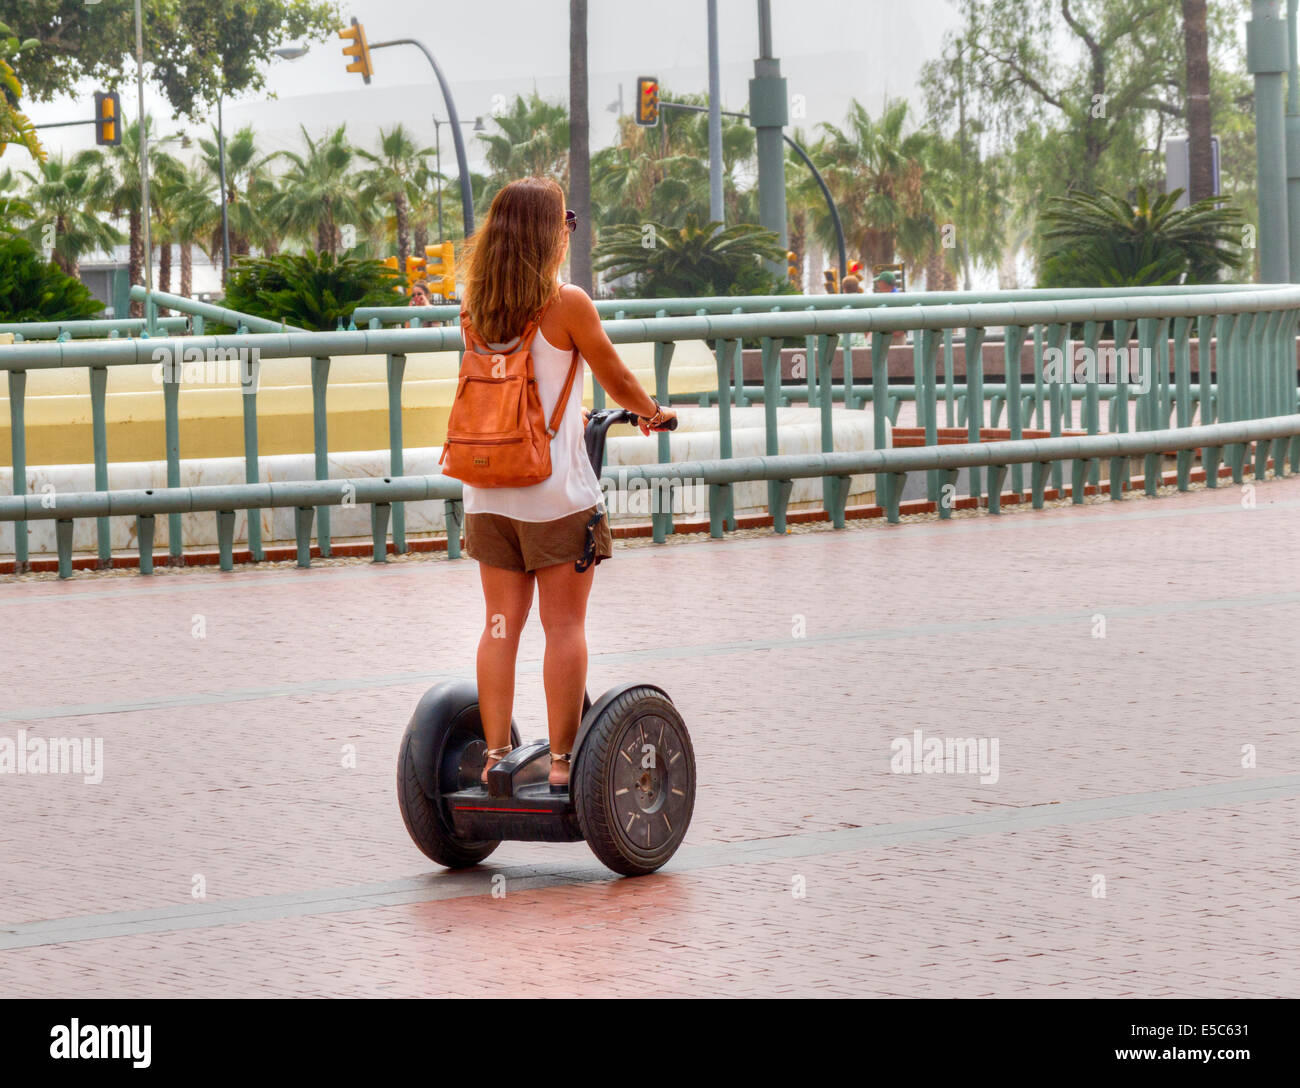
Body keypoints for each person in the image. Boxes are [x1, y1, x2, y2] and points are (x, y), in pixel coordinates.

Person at [456, 176, 676, 790]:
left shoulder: (474, 308)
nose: (567, 233)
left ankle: (496, 758)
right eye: (565, 224)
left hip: (488, 492)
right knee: (565, 628)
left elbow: (507, 394)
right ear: (548, 235)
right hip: (553, 495)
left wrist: (567, 414)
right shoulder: (566, 303)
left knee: (500, 624)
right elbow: (617, 376)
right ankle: (561, 764)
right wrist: (653, 413)